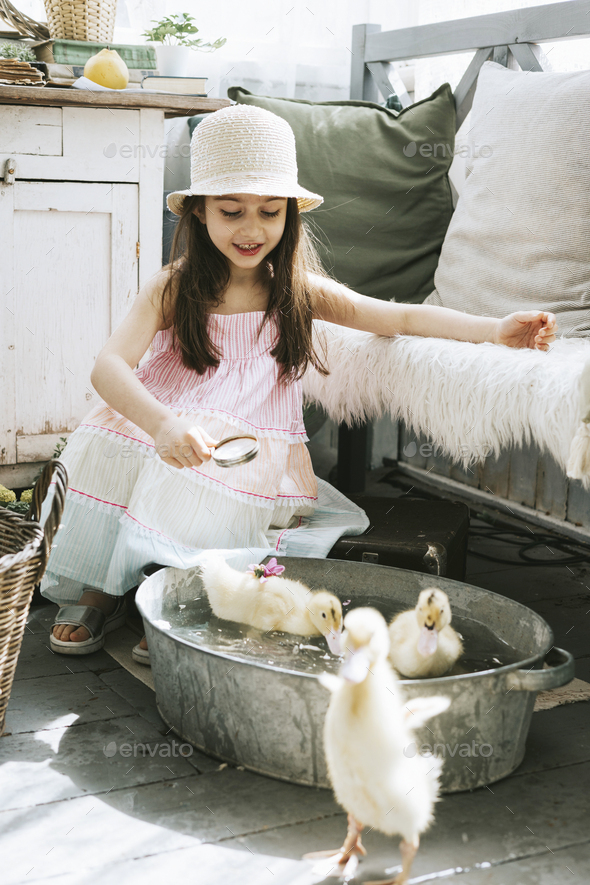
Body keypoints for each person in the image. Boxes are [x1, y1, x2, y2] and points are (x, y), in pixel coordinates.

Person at [45, 105, 557, 663]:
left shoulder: (295, 289)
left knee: (206, 484)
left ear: (290, 215)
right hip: (165, 424)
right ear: (198, 213)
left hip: (242, 450)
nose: (251, 229)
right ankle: (103, 588)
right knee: (116, 448)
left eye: (269, 212)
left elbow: (398, 317)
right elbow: (109, 366)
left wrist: (494, 330)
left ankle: (173, 588)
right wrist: (162, 423)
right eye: (231, 211)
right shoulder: (173, 286)